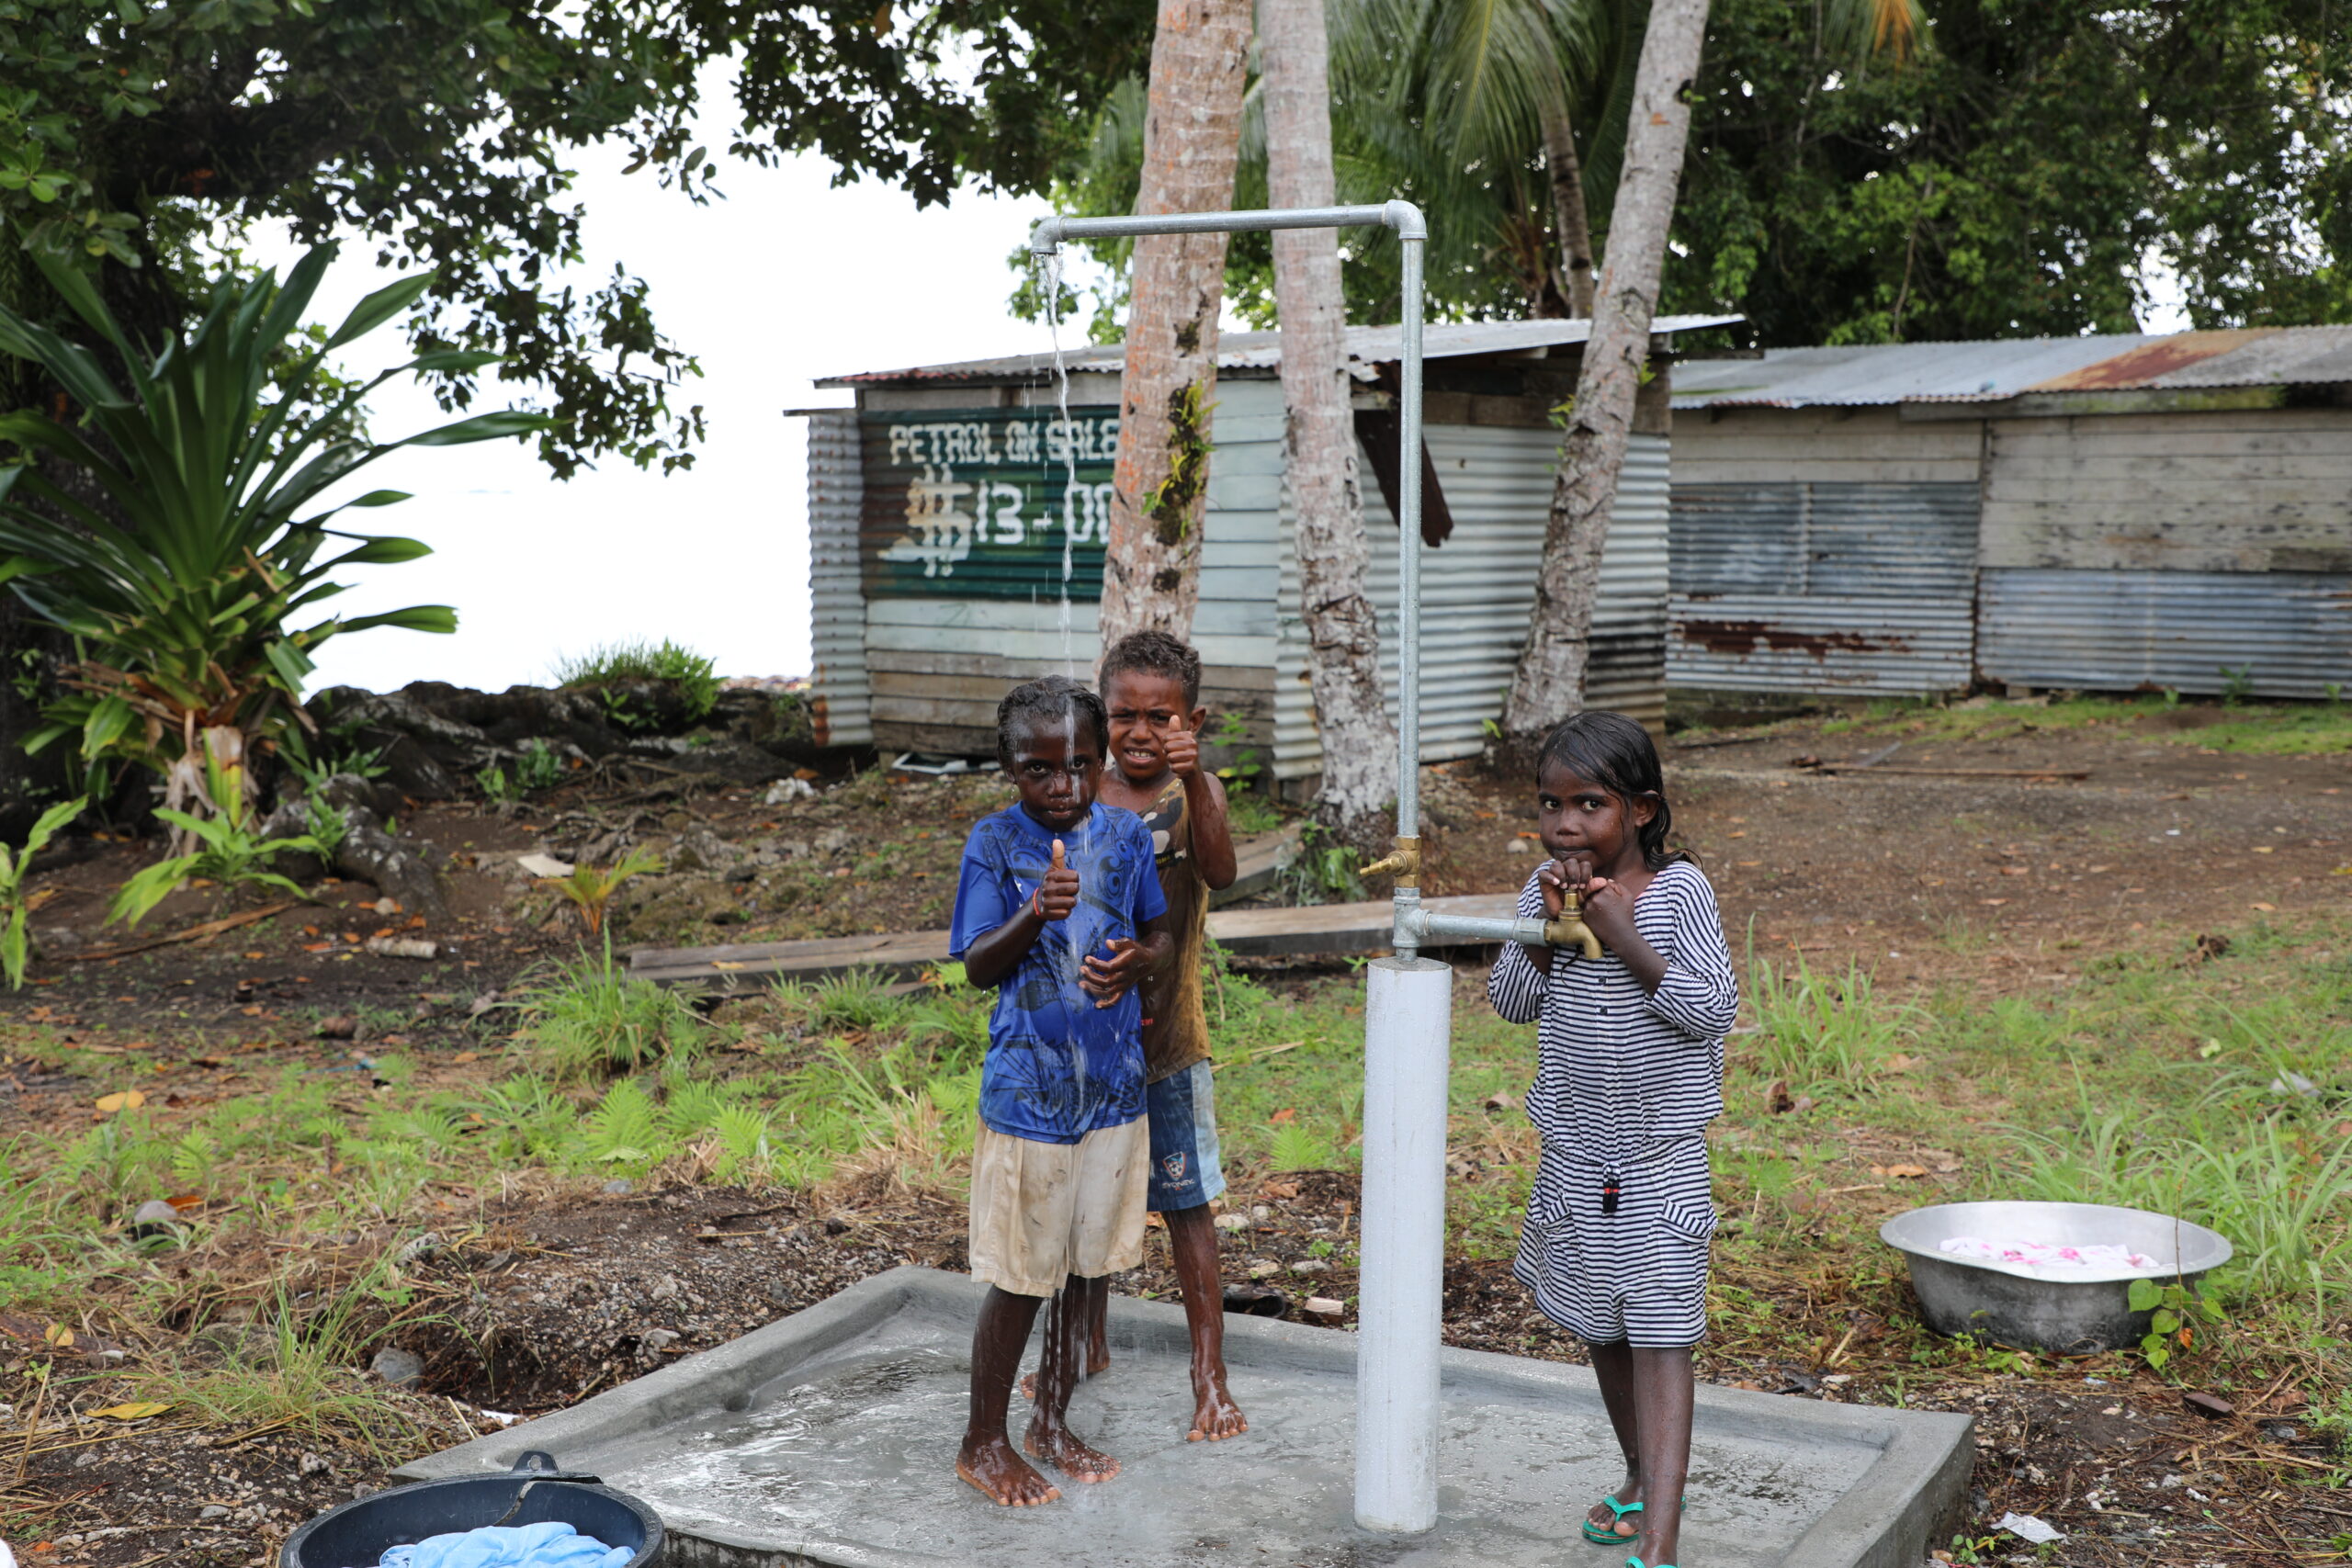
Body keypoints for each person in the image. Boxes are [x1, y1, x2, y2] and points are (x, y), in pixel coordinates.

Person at [1486, 711, 1737, 1568]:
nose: (1564, 823)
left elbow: (1714, 1008)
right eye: (1550, 804)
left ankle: (1660, 1545)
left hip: (1659, 1158)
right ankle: (1638, 1476)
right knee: (1602, 1324)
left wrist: (1626, 938)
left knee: (1662, 1335)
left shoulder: (1679, 894)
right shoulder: (1540, 889)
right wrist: (1551, 936)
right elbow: (1512, 1002)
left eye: (1587, 802)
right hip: (1577, 1157)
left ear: (1639, 808)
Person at [950, 675, 1174, 1506]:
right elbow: (977, 964)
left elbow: (1157, 928)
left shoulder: (1123, 836)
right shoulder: (994, 843)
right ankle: (983, 1440)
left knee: (1088, 1266)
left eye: (1082, 764)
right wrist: (1035, 915)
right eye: (1042, 769)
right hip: (1030, 1101)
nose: (1065, 786)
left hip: (1113, 1092)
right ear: (1010, 766)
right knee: (1021, 1273)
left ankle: (1051, 1416)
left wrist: (1139, 959)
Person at [1070, 628, 1247, 1442]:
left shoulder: (1192, 792)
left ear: (1192, 719)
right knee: (1091, 1198)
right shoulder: (1081, 795)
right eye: (1124, 715)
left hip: (1170, 1038)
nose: (1141, 732)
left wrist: (1195, 774)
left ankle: (1208, 1376)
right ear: (1102, 715)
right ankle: (1083, 1342)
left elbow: (1218, 871)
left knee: (1186, 1207)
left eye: (1160, 716)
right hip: (1090, 1040)